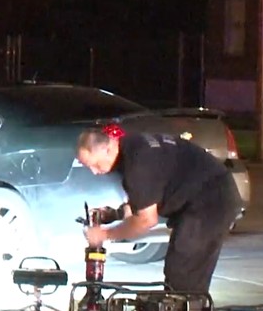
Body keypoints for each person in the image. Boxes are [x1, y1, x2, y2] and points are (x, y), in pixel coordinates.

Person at [74, 124, 244, 297]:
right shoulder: (132, 145)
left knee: (183, 271)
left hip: (211, 202)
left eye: (95, 164)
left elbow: (146, 220)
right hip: (206, 195)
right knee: (180, 270)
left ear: (108, 148)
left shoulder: (138, 163)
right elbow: (146, 198)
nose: (95, 172)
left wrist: (105, 235)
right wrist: (115, 214)